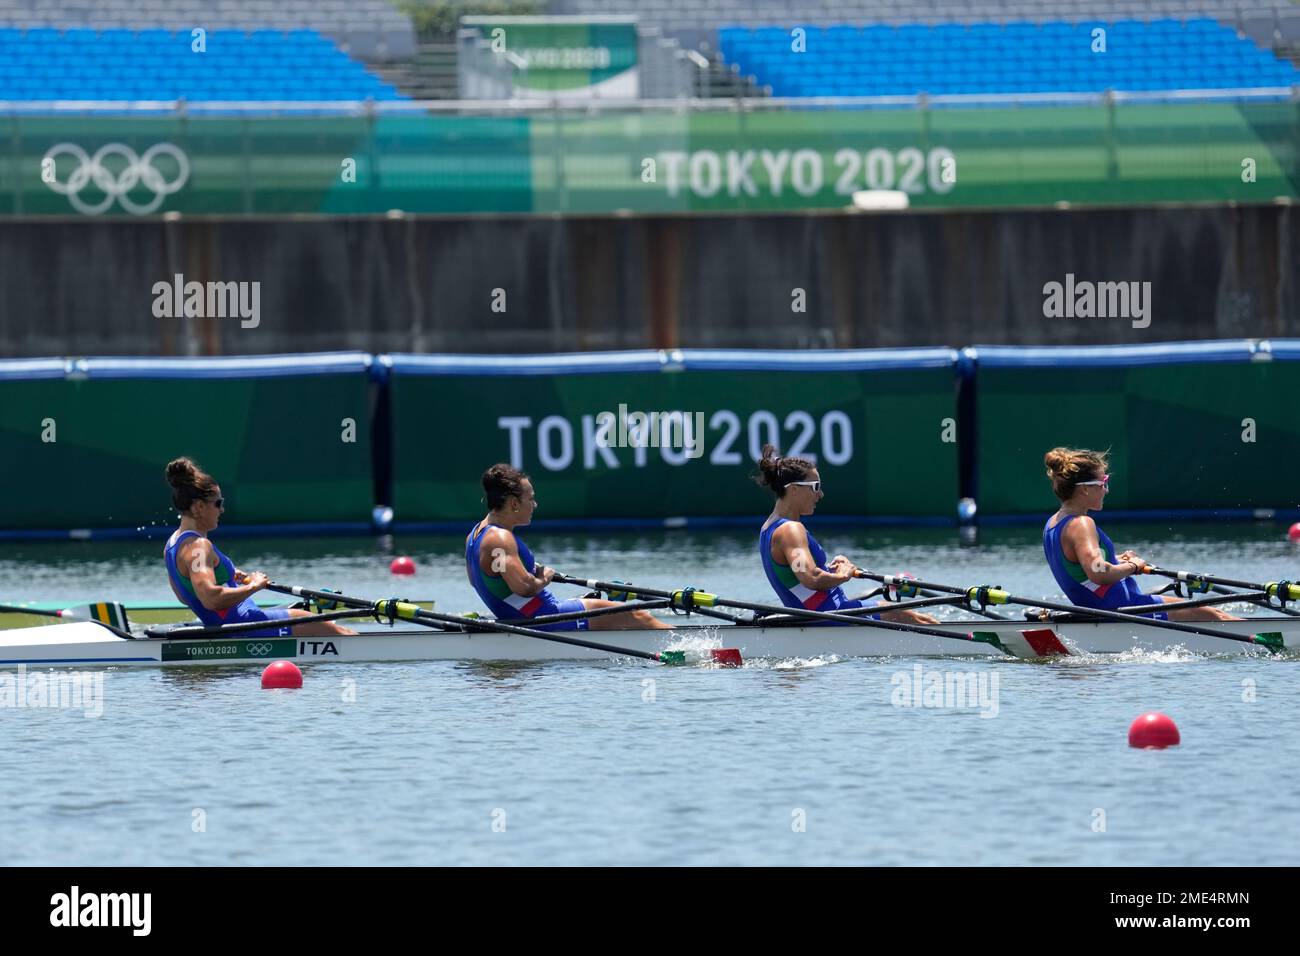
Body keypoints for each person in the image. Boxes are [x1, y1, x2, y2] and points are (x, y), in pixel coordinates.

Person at [163, 457, 356, 636]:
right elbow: (210, 598)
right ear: (198, 507)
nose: (221, 509)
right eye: (218, 503)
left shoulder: (171, 544)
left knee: (301, 611)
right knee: (333, 630)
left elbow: (185, 596)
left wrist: (227, 577)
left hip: (233, 621)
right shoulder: (198, 547)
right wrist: (254, 586)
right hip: (241, 626)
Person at [466, 464, 669, 632]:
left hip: (528, 616)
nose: (534, 505)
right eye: (530, 499)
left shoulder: (475, 535)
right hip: (545, 620)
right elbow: (524, 587)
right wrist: (545, 576)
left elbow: (483, 582)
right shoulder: (500, 539)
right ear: (513, 504)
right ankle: (685, 645)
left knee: (597, 604)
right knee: (636, 614)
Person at [1042, 446, 1238, 621]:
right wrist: (1132, 565)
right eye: (1103, 483)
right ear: (1084, 489)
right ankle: (1264, 640)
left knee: (1205, 609)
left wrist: (1116, 560)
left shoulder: (1053, 523)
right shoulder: (1082, 523)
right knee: (1212, 615)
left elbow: (1080, 567)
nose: (1106, 490)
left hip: (1105, 609)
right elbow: (1098, 572)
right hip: (1121, 611)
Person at [755, 445, 939, 624]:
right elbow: (811, 578)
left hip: (826, 610)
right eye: (815, 486)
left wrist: (830, 568)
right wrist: (844, 574)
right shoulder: (790, 530)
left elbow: (799, 574)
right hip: (827, 617)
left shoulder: (768, 527)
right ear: (794, 489)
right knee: (920, 620)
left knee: (889, 604)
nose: (820, 494)